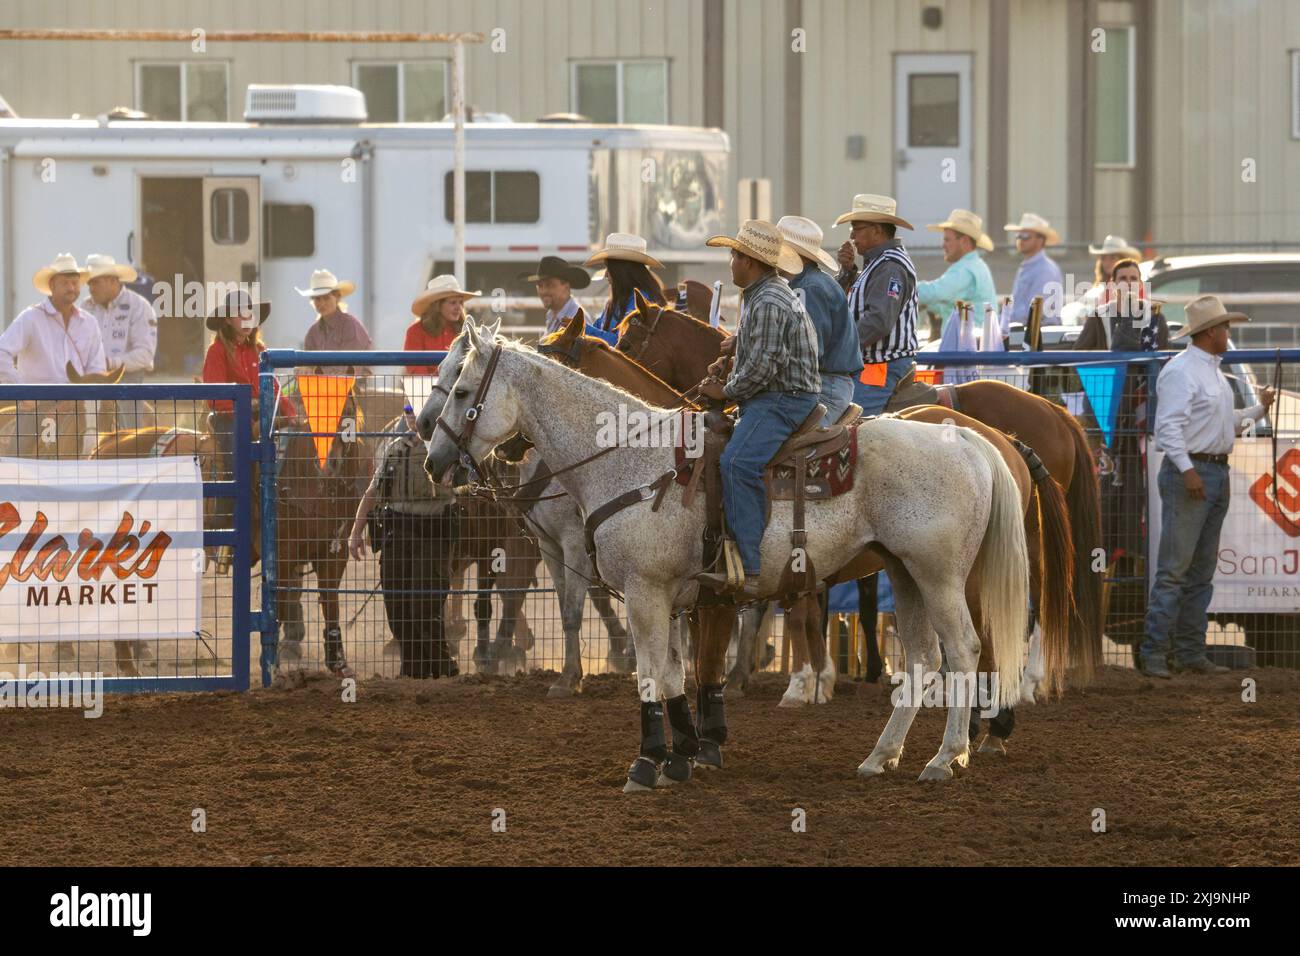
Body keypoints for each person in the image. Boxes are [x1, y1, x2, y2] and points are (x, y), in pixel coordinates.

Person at [1143, 295, 1274, 678]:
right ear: (1212, 332)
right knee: (1178, 569)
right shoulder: (1185, 371)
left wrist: (1258, 410)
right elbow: (1167, 427)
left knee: (1195, 570)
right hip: (1198, 473)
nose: (1228, 333)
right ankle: (1158, 653)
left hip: (1207, 471)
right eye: (1226, 328)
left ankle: (1184, 652)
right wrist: (1187, 470)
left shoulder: (1205, 370)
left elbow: (1220, 422)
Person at [695, 220, 820, 598]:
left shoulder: (765, 301)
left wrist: (724, 391)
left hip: (784, 399)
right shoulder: (764, 294)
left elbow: (764, 368)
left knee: (736, 462)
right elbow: (763, 352)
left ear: (749, 261)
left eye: (734, 255)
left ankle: (749, 568)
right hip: (779, 394)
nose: (730, 262)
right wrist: (735, 348)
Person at [1076, 258, 1171, 582]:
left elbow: (1165, 369)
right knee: (1106, 497)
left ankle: (1140, 564)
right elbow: (1079, 363)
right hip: (1106, 427)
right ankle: (1102, 568)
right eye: (1123, 279)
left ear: (1141, 284)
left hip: (1144, 429)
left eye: (1134, 278)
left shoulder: (1155, 318)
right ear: (1112, 284)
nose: (1128, 283)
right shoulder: (1099, 318)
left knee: (1141, 497)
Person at [348, 405, 461, 679]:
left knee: (424, 606)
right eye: (408, 411)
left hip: (432, 533)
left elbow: (462, 487)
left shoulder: (445, 449)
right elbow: (373, 491)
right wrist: (355, 532)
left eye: (417, 411)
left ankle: (442, 669)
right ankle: (412, 671)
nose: (412, 417)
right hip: (396, 534)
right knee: (397, 607)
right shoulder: (394, 448)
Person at [0, 253, 107, 456]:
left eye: (75, 283)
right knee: (19, 458)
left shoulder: (89, 322)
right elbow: (2, 352)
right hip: (38, 404)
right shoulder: (31, 318)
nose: (71, 288)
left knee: (113, 444)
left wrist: (80, 398)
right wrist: (22, 392)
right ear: (52, 285)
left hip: (80, 404)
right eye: (65, 282)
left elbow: (97, 369)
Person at [833, 194, 920, 416]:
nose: (852, 236)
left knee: (851, 421)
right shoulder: (879, 263)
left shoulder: (890, 265)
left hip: (882, 366)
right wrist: (848, 271)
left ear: (876, 230)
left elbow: (878, 321)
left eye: (857, 228)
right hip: (874, 363)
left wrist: (838, 347)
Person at [776, 215, 862, 424]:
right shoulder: (812, 283)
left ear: (791, 253)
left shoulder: (808, 289)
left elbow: (809, 351)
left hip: (824, 387)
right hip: (826, 383)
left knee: (770, 431)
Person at [81, 253, 158, 432]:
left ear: (112, 281)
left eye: (95, 282)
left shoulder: (139, 306)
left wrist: (110, 363)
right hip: (91, 378)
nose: (91, 288)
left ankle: (130, 452)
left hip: (126, 378)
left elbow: (145, 355)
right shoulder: (85, 307)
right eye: (89, 283)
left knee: (128, 431)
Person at [915, 209, 997, 340]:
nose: (943, 245)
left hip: (967, 350)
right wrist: (929, 304)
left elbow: (935, 293)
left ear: (964, 241)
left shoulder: (965, 270)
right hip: (975, 346)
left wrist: (902, 288)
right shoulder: (975, 265)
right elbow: (947, 302)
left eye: (947, 240)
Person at [584, 233, 666, 345]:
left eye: (609, 269)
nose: (606, 274)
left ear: (621, 272)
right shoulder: (616, 301)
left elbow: (622, 343)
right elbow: (598, 327)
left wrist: (583, 328)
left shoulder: (641, 301)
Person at [297, 268, 372, 376]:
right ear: (312, 301)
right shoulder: (312, 333)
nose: (322, 303)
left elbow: (350, 368)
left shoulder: (350, 325)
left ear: (337, 298)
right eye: (317, 299)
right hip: (323, 389)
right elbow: (307, 364)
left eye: (326, 298)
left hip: (353, 390)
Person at [404, 275, 480, 375]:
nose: (459, 307)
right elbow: (416, 370)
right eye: (453, 303)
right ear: (437, 305)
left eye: (461, 302)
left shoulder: (467, 332)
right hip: (428, 389)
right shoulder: (415, 332)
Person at [1003, 213, 1064, 326]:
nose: (1020, 239)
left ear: (1040, 240)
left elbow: (1035, 311)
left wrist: (1004, 320)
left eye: (1025, 235)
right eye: (1018, 235)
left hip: (1041, 336)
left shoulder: (1045, 270)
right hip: (1027, 333)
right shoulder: (1026, 266)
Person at [523, 256, 591, 335]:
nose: (543, 291)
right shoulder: (552, 315)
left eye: (550, 285)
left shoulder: (576, 319)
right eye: (540, 285)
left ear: (566, 286)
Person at [1082, 234, 1143, 310]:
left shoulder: (1135, 286)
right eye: (1104, 258)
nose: (1107, 262)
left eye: (1112, 257)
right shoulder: (1099, 288)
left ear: (1123, 260)